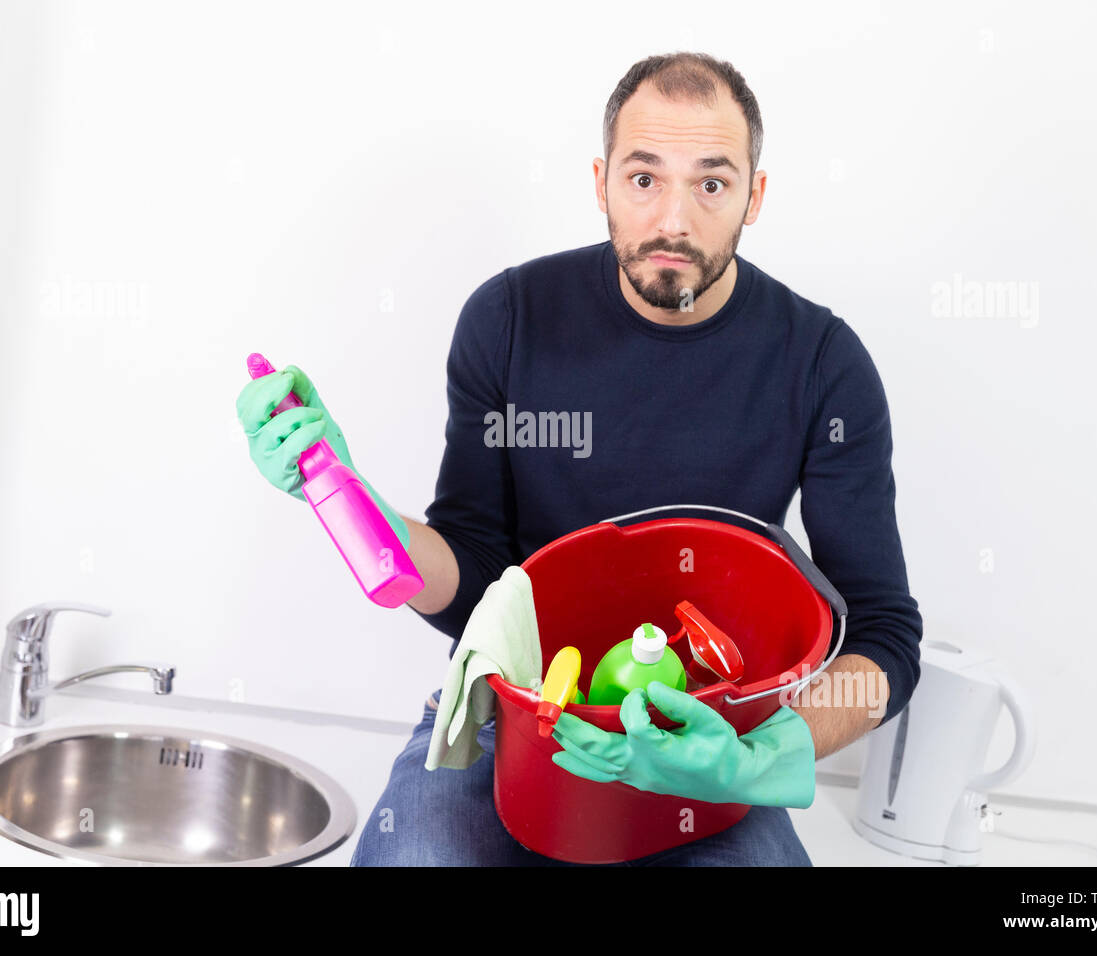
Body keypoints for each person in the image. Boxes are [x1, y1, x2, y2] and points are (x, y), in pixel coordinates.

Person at [235, 51, 922, 866]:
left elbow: (881, 633)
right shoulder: (510, 318)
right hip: (510, 719)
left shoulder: (823, 363)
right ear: (601, 183)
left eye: (710, 182)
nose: (674, 220)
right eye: (643, 179)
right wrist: (355, 505)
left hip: (703, 750)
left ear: (754, 196)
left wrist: (766, 753)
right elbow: (476, 581)